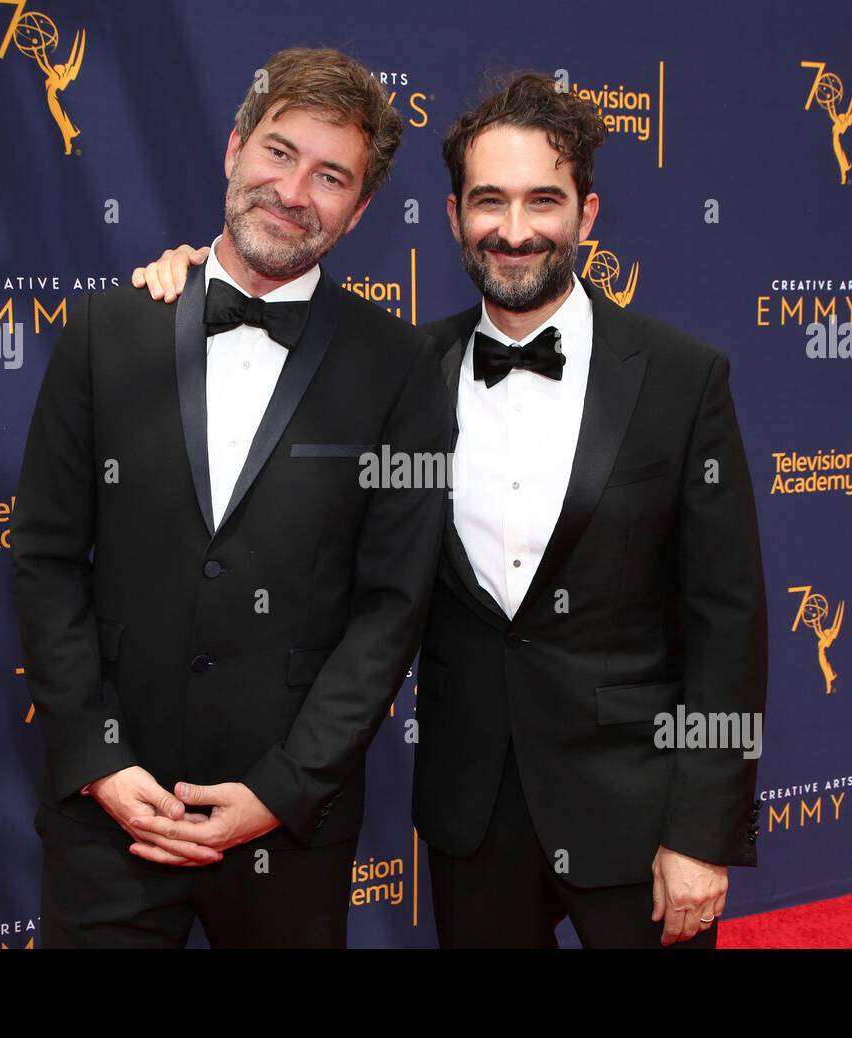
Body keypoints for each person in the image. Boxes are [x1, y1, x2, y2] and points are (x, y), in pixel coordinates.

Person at [132, 72, 768, 949]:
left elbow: (727, 623)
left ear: (586, 214)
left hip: (639, 808)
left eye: (543, 201)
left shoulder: (682, 376)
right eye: (488, 202)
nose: (513, 231)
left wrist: (704, 833)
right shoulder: (402, 370)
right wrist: (191, 278)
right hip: (471, 820)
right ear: (452, 217)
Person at [12, 46, 450, 948]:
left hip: (290, 829)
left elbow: (391, 609)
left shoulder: (400, 368)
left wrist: (283, 788)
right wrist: (98, 760)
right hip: (109, 817)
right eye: (279, 153)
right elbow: (47, 560)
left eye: (332, 176)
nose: (294, 191)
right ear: (233, 149)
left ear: (361, 210)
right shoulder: (107, 330)